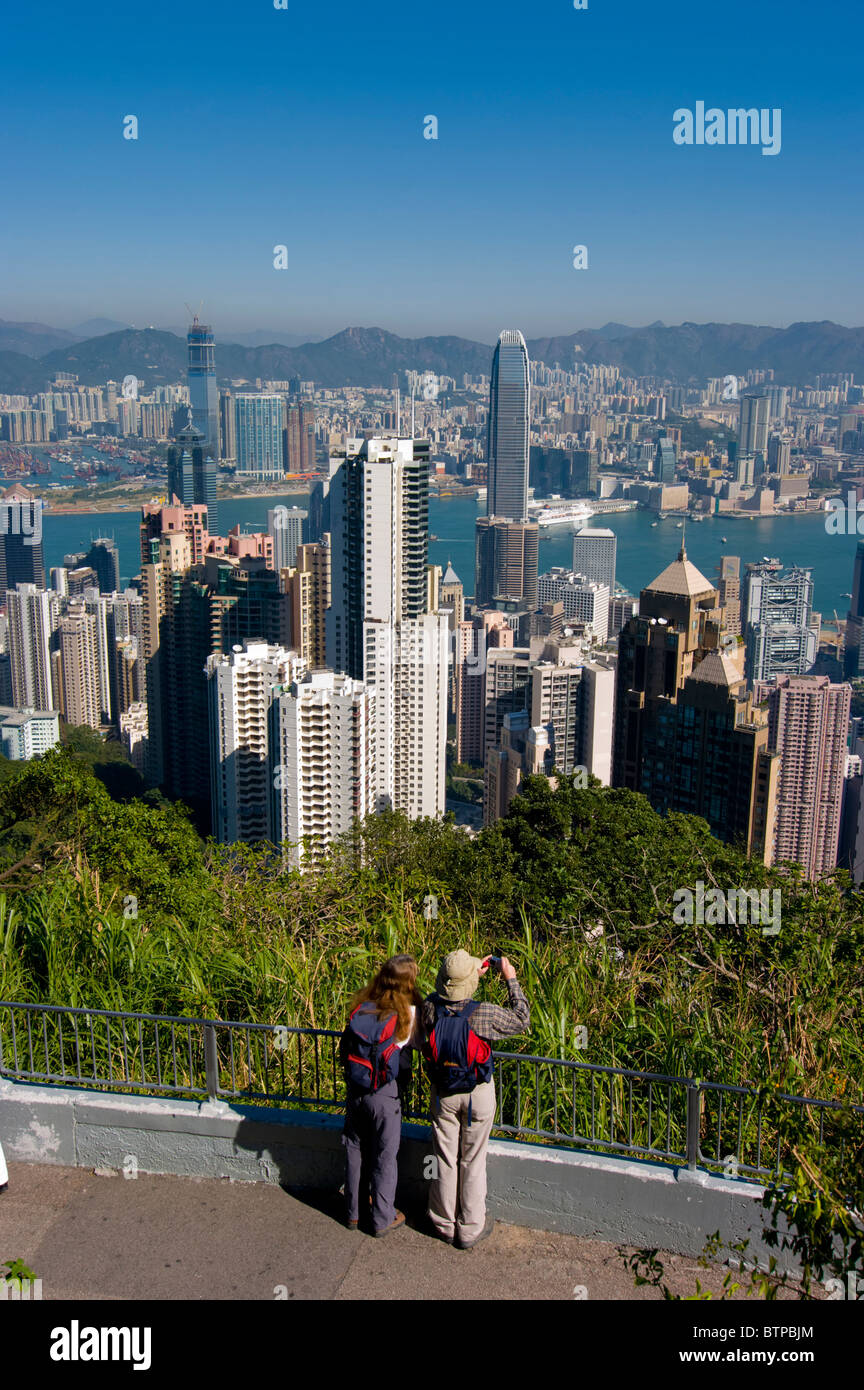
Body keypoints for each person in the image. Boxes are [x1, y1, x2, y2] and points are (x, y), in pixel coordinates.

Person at [422, 948, 530, 1250]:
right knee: (473, 1159)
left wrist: (466, 977)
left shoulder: (431, 1007)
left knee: (445, 1157)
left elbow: (424, 1030)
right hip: (477, 1093)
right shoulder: (484, 1012)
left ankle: (443, 1221)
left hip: (444, 1091)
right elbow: (522, 1019)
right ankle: (469, 1227)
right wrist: (511, 980)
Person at [340, 953, 421, 1236]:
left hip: (356, 1090)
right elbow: (414, 1048)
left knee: (354, 1149)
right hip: (385, 1094)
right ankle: (382, 1218)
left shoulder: (362, 1007)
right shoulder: (407, 1014)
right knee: (385, 1156)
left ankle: (353, 1212)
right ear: (408, 982)